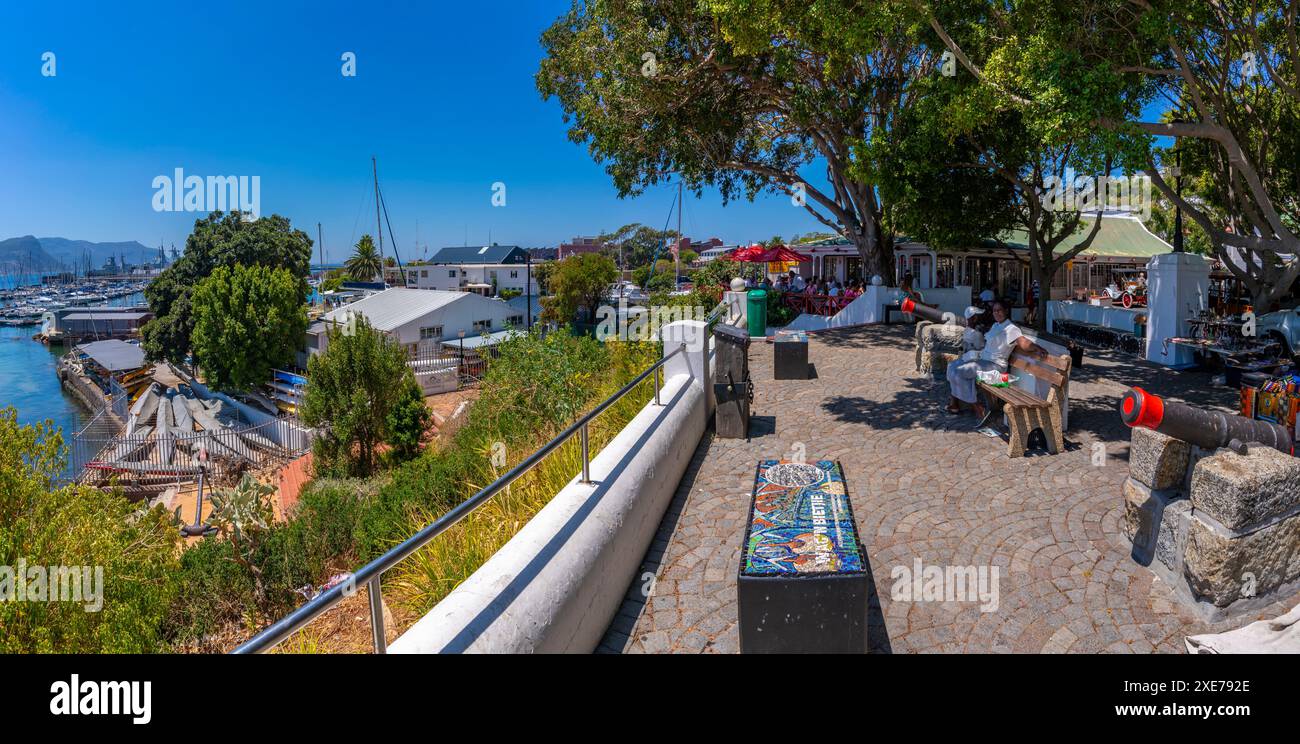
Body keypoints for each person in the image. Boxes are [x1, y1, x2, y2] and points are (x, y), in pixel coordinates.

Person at [946, 299, 1049, 419]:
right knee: (952, 366)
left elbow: (1022, 342)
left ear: (1006, 311)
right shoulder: (996, 325)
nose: (996, 313)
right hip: (984, 361)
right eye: (994, 311)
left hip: (996, 367)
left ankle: (977, 406)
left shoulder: (1011, 329)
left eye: (999, 310)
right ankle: (956, 402)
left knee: (960, 371)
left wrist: (1037, 347)